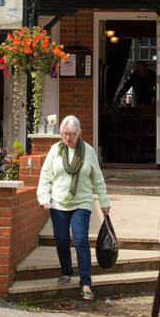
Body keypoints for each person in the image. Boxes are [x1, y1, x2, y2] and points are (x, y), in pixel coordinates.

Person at [37, 115, 111, 301]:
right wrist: (43, 198)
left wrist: (104, 201)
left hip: (81, 203)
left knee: (80, 241)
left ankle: (85, 282)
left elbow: (98, 178)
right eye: (65, 134)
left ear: (79, 133)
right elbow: (45, 176)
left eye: (72, 134)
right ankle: (66, 271)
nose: (68, 138)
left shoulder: (88, 151)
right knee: (61, 240)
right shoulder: (56, 150)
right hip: (58, 203)